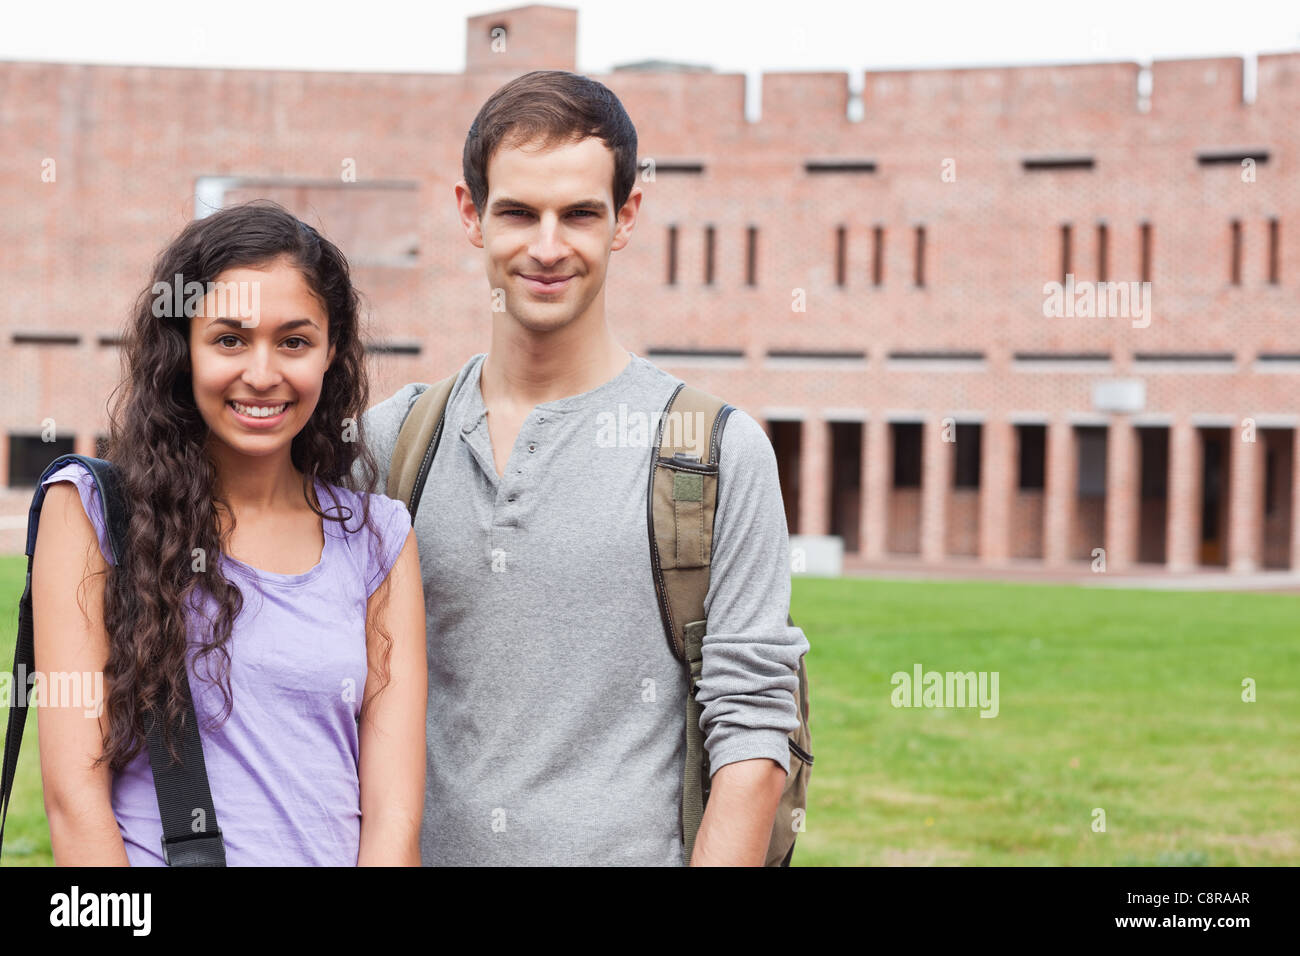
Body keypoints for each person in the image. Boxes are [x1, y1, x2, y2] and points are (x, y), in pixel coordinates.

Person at [360, 70, 808, 866]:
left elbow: (753, 738)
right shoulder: (394, 442)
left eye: (578, 215)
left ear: (625, 218)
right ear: (471, 214)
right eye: (518, 213)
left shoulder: (715, 452)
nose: (546, 246)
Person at [33, 202, 427, 866]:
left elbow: (393, 816)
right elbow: (75, 800)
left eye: (294, 341)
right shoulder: (97, 512)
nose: (263, 373)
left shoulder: (379, 539)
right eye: (230, 339)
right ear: (181, 348)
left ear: (331, 354)